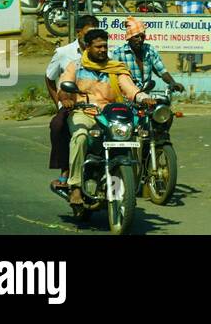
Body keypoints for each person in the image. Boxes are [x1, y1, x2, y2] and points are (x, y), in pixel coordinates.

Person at [59, 27, 153, 206]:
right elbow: (64, 86)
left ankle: (129, 182)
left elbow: (129, 87)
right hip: (84, 112)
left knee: (132, 137)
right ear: (88, 47)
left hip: (109, 115)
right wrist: (65, 98)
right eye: (98, 47)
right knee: (79, 137)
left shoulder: (115, 68)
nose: (103, 50)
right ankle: (76, 187)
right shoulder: (76, 66)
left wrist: (144, 98)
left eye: (105, 46)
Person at [44, 14, 100, 192]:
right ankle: (66, 170)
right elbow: (50, 78)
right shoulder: (64, 54)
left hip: (98, 105)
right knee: (58, 126)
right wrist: (59, 103)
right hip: (72, 105)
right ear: (78, 33)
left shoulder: (104, 53)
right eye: (87, 34)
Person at [112, 18, 186, 92]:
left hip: (145, 97)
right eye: (136, 36)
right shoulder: (119, 53)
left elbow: (162, 71)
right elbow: (113, 78)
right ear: (129, 37)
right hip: (126, 98)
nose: (140, 39)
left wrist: (173, 83)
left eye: (142, 36)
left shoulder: (150, 50)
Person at [175, 0, 211, 73]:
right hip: (187, 17)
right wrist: (180, 17)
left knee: (197, 42)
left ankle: (193, 65)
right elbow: (178, 1)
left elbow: (208, 0)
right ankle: (181, 63)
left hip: (200, 18)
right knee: (185, 41)